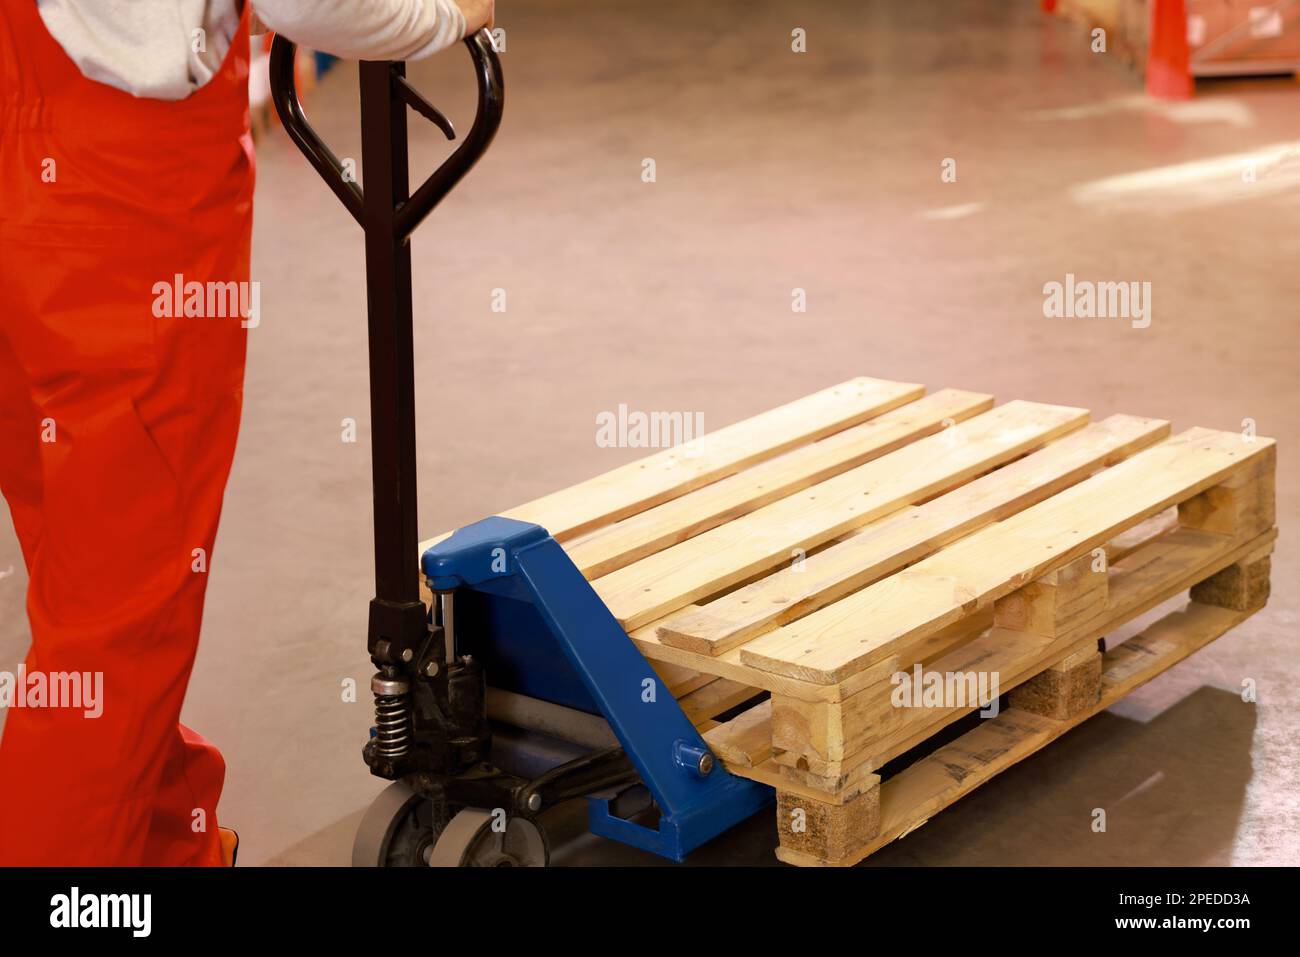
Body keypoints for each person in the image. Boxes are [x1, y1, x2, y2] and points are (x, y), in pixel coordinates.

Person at [0, 0, 493, 867]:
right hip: (117, 183)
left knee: (81, 569)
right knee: (117, 620)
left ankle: (162, 844)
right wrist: (443, 15)